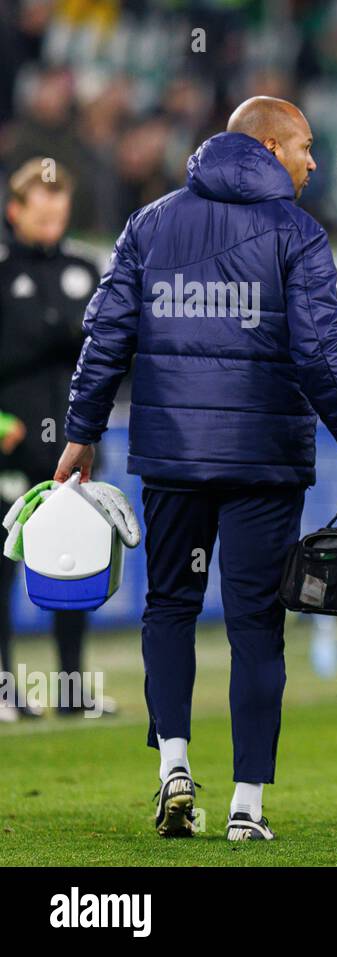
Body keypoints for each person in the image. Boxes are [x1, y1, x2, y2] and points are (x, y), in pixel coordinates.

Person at [55, 96, 337, 842]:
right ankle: (246, 805)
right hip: (262, 464)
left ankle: (173, 764)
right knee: (255, 626)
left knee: (170, 607)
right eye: (306, 146)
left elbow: (107, 334)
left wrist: (81, 433)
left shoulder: (151, 224)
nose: (315, 160)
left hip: (174, 456)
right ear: (271, 147)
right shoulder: (296, 234)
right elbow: (322, 355)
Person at [0, 159, 106, 720]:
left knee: (77, 564)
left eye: (59, 211)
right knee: (3, 567)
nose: (51, 222)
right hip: (10, 443)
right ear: (15, 210)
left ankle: (70, 689)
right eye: (41, 212)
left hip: (73, 445)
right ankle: (2, 690)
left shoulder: (85, 270)